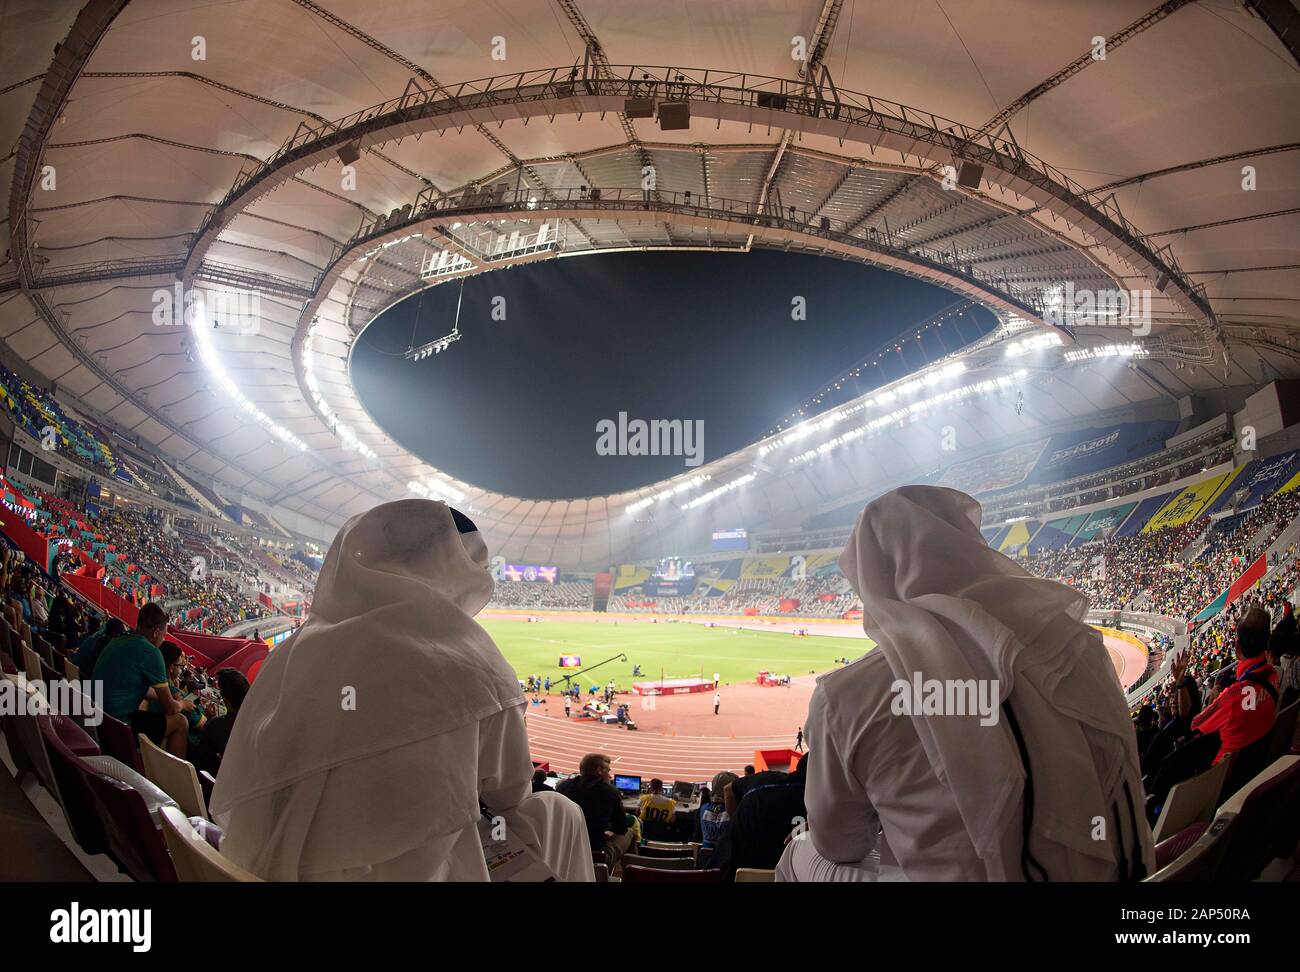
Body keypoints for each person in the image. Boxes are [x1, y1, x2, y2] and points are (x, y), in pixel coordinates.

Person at [210, 500, 591, 882]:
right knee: (557, 812)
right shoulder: (474, 662)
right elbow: (510, 796)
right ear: (456, 569)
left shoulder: (297, 650)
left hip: (258, 864)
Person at [787, 486, 1153, 882]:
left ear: (871, 576)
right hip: (1120, 872)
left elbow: (839, 844)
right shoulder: (1077, 644)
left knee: (799, 853)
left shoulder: (846, 696)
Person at [93, 603, 193, 756]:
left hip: (96, 717)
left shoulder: (118, 640)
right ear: (155, 632)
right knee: (180, 722)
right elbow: (170, 709)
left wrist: (169, 694)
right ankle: (172, 778)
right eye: (164, 634)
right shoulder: (151, 652)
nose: (163, 639)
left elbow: (133, 686)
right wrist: (183, 704)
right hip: (117, 725)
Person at [1190, 607, 1279, 765]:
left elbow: (1196, 727)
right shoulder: (1274, 675)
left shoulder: (1232, 697)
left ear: (1237, 648)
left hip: (1223, 779)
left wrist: (1214, 699)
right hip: (1258, 765)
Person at [556, 753, 632, 874]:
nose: (610, 775)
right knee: (630, 832)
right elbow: (621, 828)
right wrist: (608, 830)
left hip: (561, 849)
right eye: (608, 770)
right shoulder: (610, 791)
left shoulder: (562, 787)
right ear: (599, 771)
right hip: (593, 854)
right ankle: (628, 872)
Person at [193, 668, 249, 775]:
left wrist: (210, 720)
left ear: (226, 700)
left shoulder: (215, 726)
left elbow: (201, 760)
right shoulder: (255, 726)